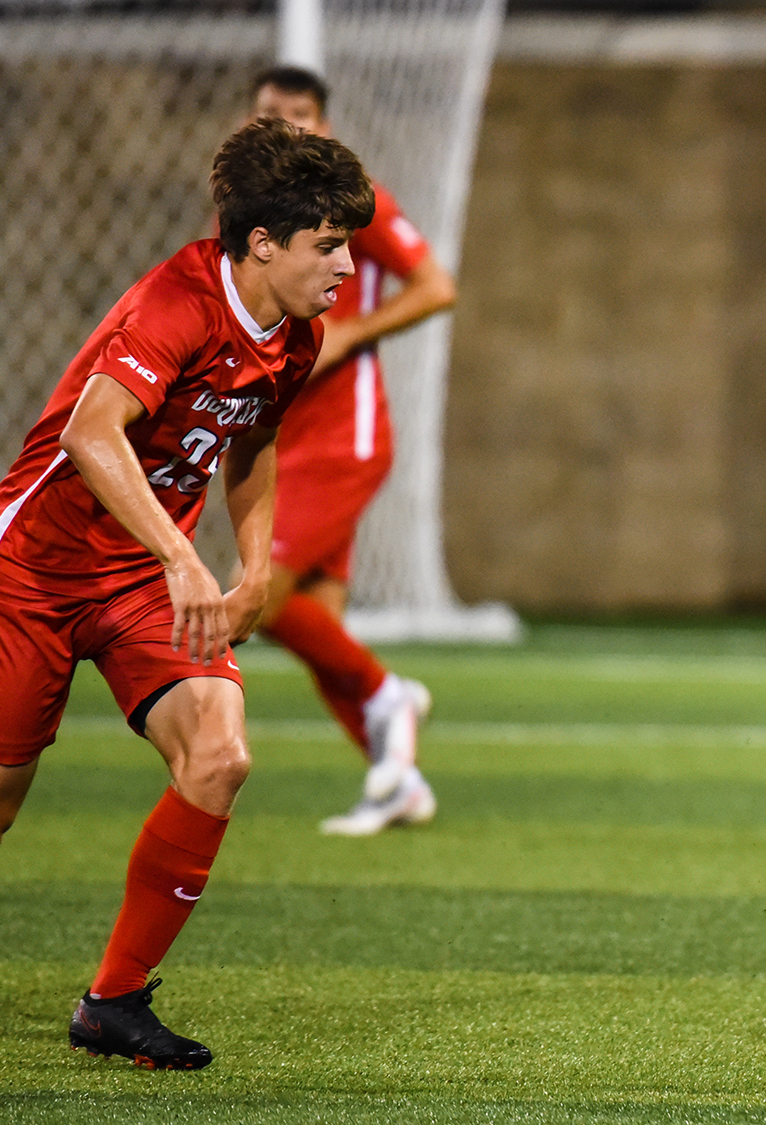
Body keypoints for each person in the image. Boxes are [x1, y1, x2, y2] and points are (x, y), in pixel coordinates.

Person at [0, 119, 374, 1069]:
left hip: (133, 577)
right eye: (328, 245)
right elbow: (92, 435)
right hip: (29, 573)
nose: (344, 268)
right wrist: (183, 557)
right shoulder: (178, 302)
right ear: (261, 244)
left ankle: (113, 1003)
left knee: (219, 755)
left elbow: (252, 444)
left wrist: (254, 567)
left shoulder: (297, 335)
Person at [244, 66, 458, 836]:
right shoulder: (248, 219)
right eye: (272, 116)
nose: (288, 129)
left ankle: (391, 695)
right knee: (310, 623)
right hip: (278, 434)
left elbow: (436, 286)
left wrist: (352, 333)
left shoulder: (354, 203)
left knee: (256, 599)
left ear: (325, 124)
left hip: (344, 436)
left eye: (300, 116)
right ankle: (397, 778)